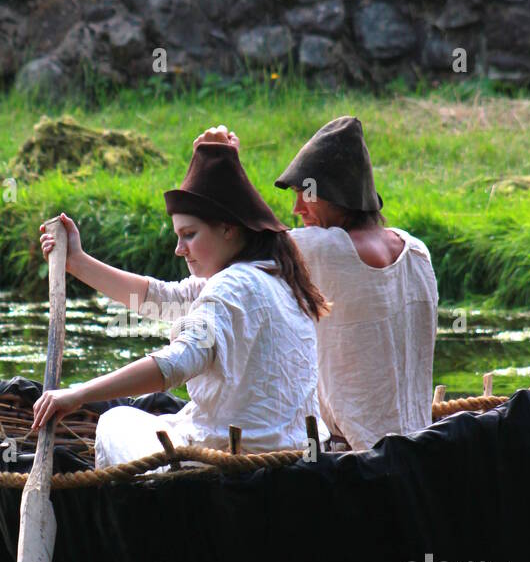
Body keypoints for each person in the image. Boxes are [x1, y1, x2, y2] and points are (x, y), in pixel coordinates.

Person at [32, 139, 330, 468]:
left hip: (231, 464)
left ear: (228, 228)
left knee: (115, 422)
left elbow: (176, 363)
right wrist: (78, 262)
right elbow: (161, 299)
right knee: (163, 420)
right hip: (298, 458)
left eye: (189, 235)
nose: (179, 249)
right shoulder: (279, 277)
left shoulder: (230, 287)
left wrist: (78, 394)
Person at [274, 114, 438, 452]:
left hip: (358, 459)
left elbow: (245, 241)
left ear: (337, 196)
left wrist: (220, 156)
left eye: (306, 195)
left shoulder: (320, 247)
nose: (296, 208)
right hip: (422, 446)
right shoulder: (418, 251)